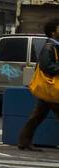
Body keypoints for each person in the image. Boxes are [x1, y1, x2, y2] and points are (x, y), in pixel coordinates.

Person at [18, 18, 59, 151]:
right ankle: (24, 141)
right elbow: (47, 66)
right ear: (53, 32)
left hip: (48, 89)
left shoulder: (54, 45)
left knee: (37, 116)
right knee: (37, 116)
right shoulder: (49, 47)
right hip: (50, 88)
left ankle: (24, 141)